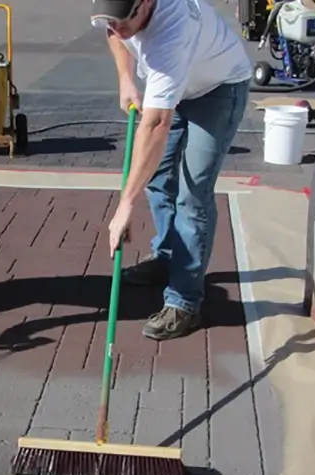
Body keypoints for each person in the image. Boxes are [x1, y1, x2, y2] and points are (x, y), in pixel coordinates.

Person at [91, 0, 253, 340]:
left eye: (124, 21)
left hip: (218, 89)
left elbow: (155, 124)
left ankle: (184, 302)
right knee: (159, 176)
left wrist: (125, 205)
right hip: (178, 82)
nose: (118, 29)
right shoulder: (122, 16)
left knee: (192, 194)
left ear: (146, 4)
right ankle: (166, 256)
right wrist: (125, 80)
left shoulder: (172, 30)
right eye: (111, 21)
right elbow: (113, 32)